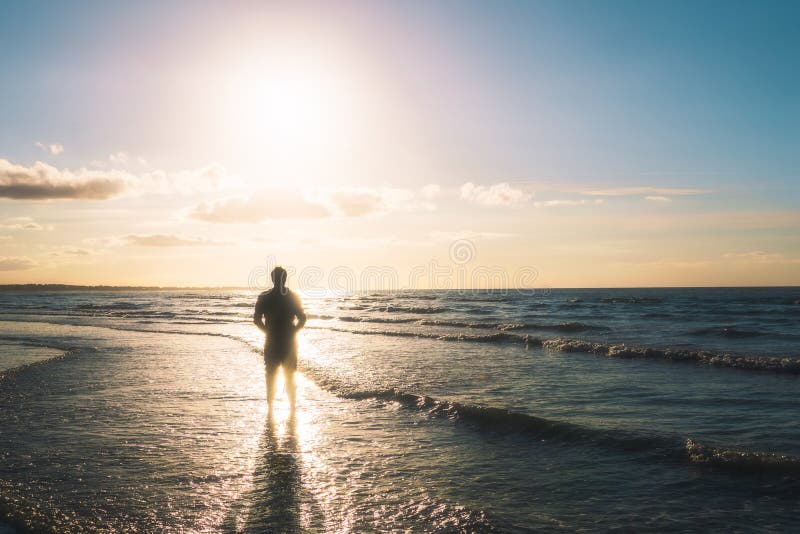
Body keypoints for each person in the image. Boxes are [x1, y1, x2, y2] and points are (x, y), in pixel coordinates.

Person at [253, 266, 307, 408]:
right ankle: (291, 406)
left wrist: (267, 331)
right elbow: (302, 318)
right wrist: (294, 331)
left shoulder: (264, 297)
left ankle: (271, 405)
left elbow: (257, 320)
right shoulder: (292, 297)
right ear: (284, 278)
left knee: (271, 374)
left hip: (272, 341)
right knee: (290, 373)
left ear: (273, 279)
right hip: (289, 341)